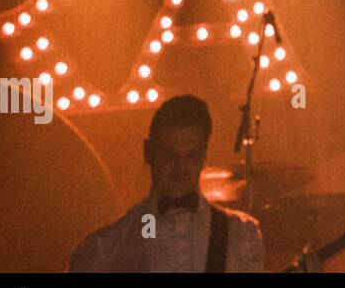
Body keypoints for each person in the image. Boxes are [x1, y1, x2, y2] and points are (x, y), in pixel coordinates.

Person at [69, 95, 264, 272]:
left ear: (204, 156)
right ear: (148, 152)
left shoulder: (239, 234)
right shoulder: (106, 246)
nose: (181, 168)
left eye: (192, 157)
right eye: (170, 156)